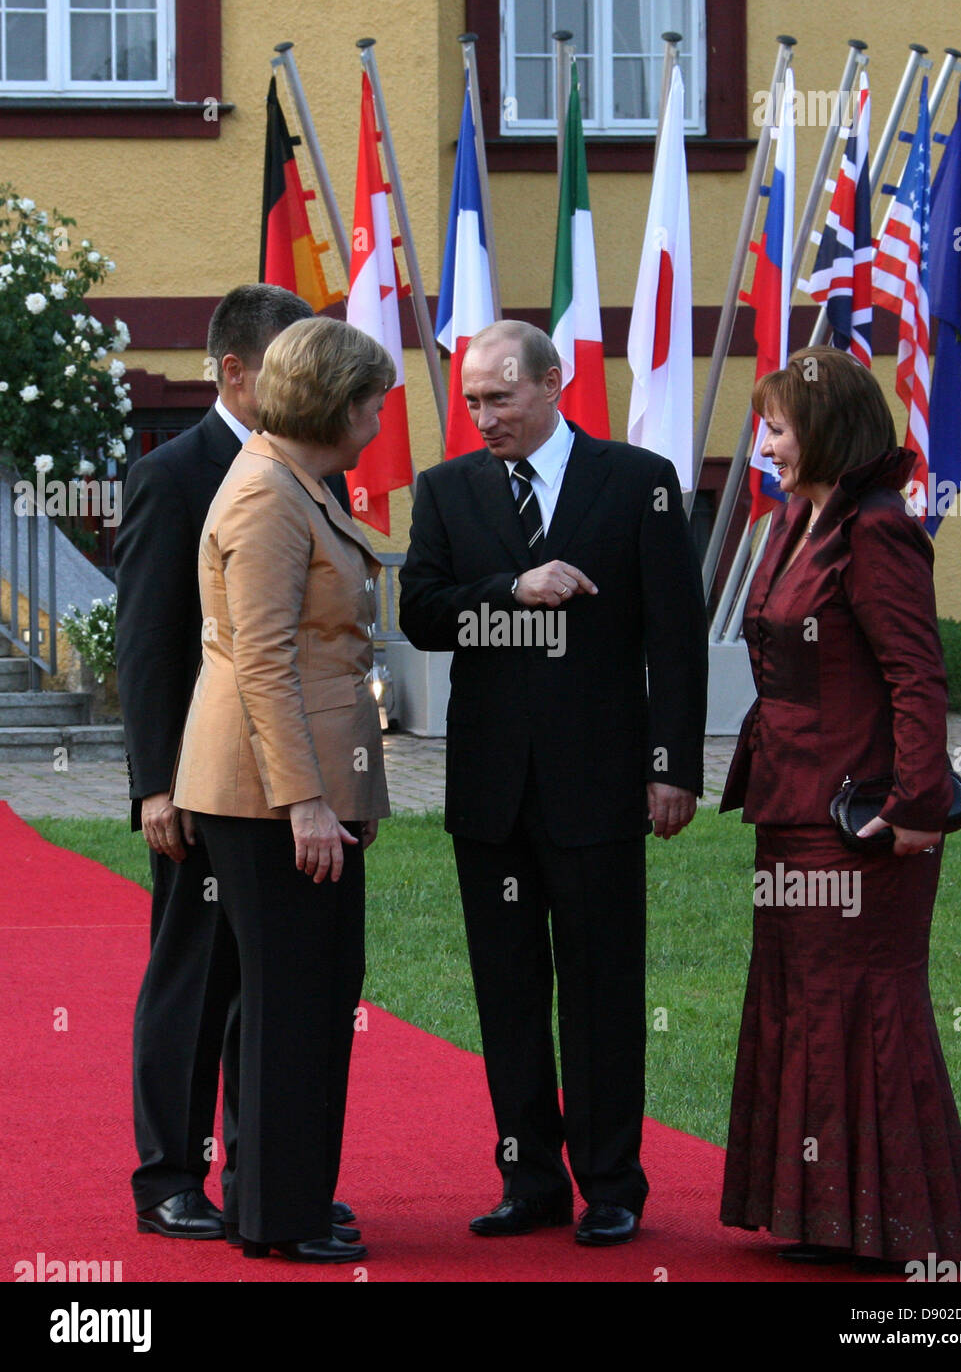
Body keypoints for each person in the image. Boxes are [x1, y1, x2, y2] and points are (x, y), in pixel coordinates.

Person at [399, 320, 708, 1246]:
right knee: (508, 990)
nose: (485, 416)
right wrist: (509, 591)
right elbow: (420, 615)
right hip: (491, 792)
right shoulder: (447, 490)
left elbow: (677, 641)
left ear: (553, 384)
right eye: (474, 403)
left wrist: (673, 766)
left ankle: (612, 1181)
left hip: (604, 785)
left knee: (604, 985)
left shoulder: (639, 483)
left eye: (501, 398)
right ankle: (528, 1179)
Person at [718, 346, 961, 1270]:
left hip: (864, 821)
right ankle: (821, 1214)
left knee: (864, 1008)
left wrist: (919, 806)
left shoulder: (878, 528)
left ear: (828, 429)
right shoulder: (801, 515)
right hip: (788, 806)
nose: (768, 442)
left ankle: (897, 1229)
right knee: (801, 1003)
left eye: (780, 427)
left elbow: (918, 674)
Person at [115, 284, 356, 1240]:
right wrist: (153, 785)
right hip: (201, 783)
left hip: (278, 780)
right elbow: (149, 643)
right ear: (236, 371)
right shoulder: (177, 473)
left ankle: (270, 1179)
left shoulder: (311, 468)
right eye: (290, 362)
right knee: (195, 977)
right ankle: (171, 1174)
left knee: (276, 989)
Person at [170, 317, 392, 1262]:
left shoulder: (291, 478)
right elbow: (261, 660)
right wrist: (305, 800)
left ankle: (284, 1193)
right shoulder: (266, 492)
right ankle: (278, 1214)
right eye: (374, 401)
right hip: (269, 795)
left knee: (310, 994)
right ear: (339, 404)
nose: (381, 418)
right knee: (291, 1000)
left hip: (295, 785)